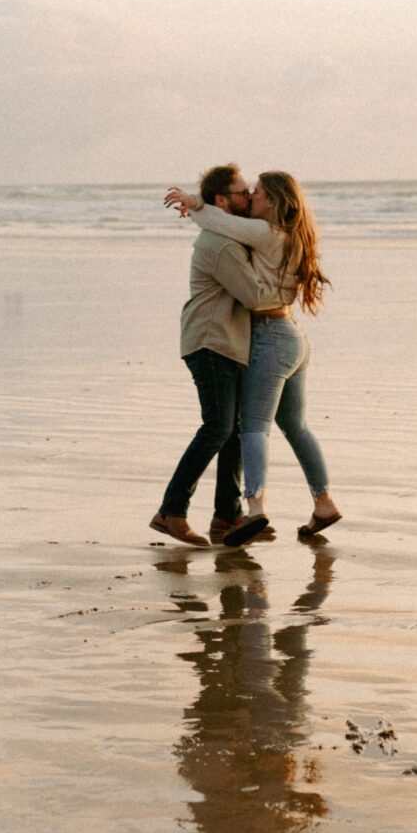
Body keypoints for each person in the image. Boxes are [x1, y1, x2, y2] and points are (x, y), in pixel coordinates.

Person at [165, 171, 340, 541]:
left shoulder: (264, 233)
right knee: (296, 427)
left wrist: (195, 204)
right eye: (246, 192)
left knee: (253, 427)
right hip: (293, 336)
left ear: (274, 202)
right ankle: (323, 502)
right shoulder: (294, 235)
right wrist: (201, 206)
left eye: (256, 193)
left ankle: (255, 508)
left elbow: (219, 221)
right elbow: (223, 221)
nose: (251, 197)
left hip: (270, 335)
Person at [150, 164, 277, 548]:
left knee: (232, 430)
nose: (249, 196)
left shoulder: (225, 234)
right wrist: (286, 295)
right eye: (242, 192)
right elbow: (254, 296)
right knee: (218, 428)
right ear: (222, 200)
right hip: (210, 341)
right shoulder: (220, 244)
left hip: (225, 341)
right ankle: (171, 511)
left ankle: (226, 515)